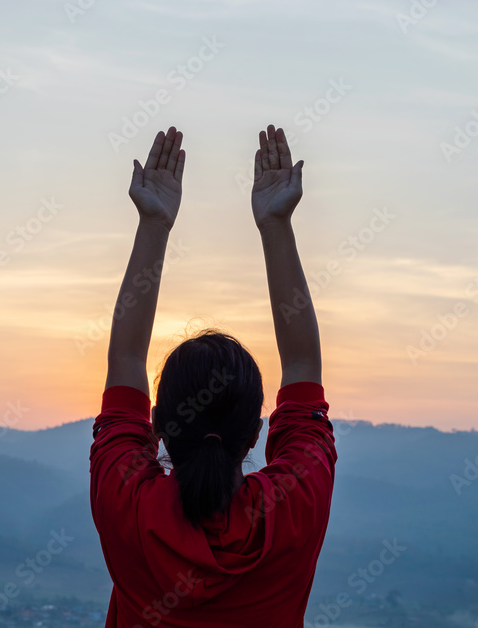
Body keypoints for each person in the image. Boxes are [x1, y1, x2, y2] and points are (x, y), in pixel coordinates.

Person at [90, 125, 337, 627]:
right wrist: (276, 225)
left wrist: (154, 224)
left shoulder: (127, 506)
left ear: (157, 422)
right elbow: (304, 367)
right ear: (256, 433)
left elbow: (125, 362)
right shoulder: (292, 510)